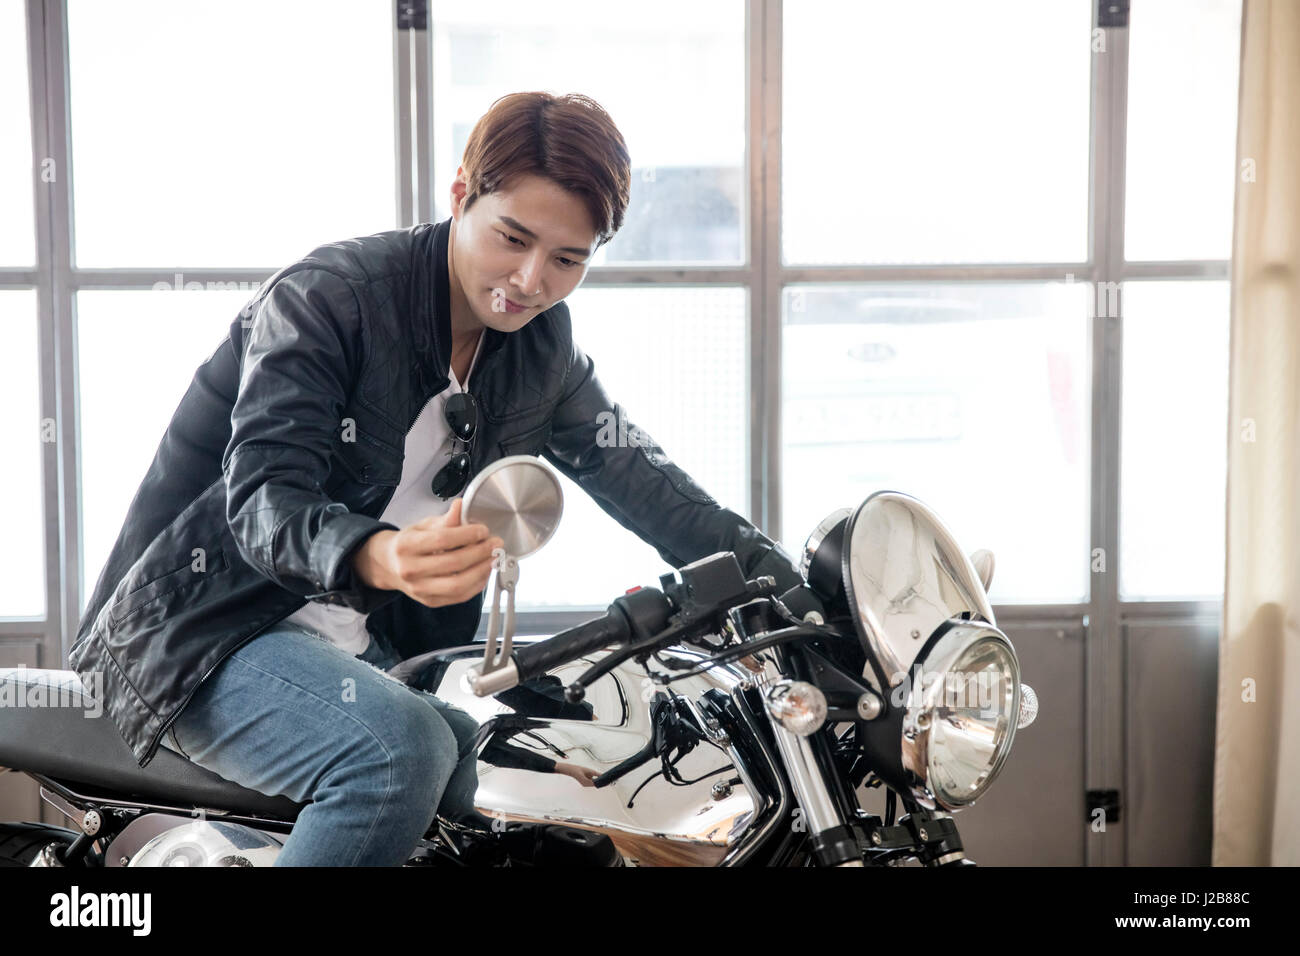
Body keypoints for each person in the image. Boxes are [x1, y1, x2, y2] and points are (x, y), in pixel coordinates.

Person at [68, 91, 802, 866]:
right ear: (460, 195)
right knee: (398, 756)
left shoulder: (540, 348)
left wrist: (810, 591)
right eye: (512, 238)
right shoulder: (330, 297)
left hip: (353, 655)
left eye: (567, 259)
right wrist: (377, 555)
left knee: (540, 793)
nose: (530, 280)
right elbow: (263, 501)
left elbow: (648, 484)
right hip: (199, 635)